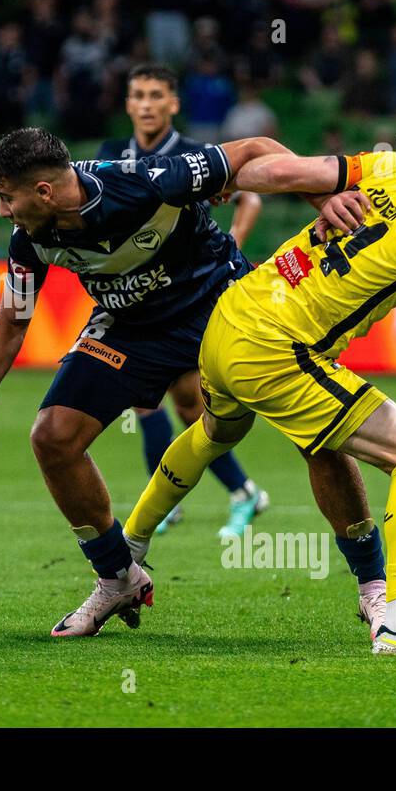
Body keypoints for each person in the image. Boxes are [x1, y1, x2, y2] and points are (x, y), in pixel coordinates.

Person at [124, 132, 396, 658]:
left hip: (230, 316)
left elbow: (276, 172)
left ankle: (128, 549)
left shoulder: (395, 167)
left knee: (217, 431)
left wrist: (227, 182)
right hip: (275, 349)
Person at [0, 127, 378, 638]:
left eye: (6, 197)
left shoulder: (148, 182)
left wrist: (323, 198)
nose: (3, 211)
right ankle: (117, 579)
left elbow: (256, 149)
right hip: (131, 329)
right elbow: (15, 318)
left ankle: (373, 587)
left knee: (318, 434)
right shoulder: (31, 240)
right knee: (53, 437)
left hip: (223, 306)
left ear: (43, 192)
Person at [94, 62, 268, 538]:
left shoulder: (194, 154)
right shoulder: (113, 154)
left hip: (190, 298)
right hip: (139, 298)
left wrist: (231, 243)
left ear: (173, 103)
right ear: (128, 103)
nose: (147, 104)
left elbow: (249, 196)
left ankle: (243, 491)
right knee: (145, 404)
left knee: (191, 405)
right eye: (138, 96)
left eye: (156, 96)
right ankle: (174, 501)